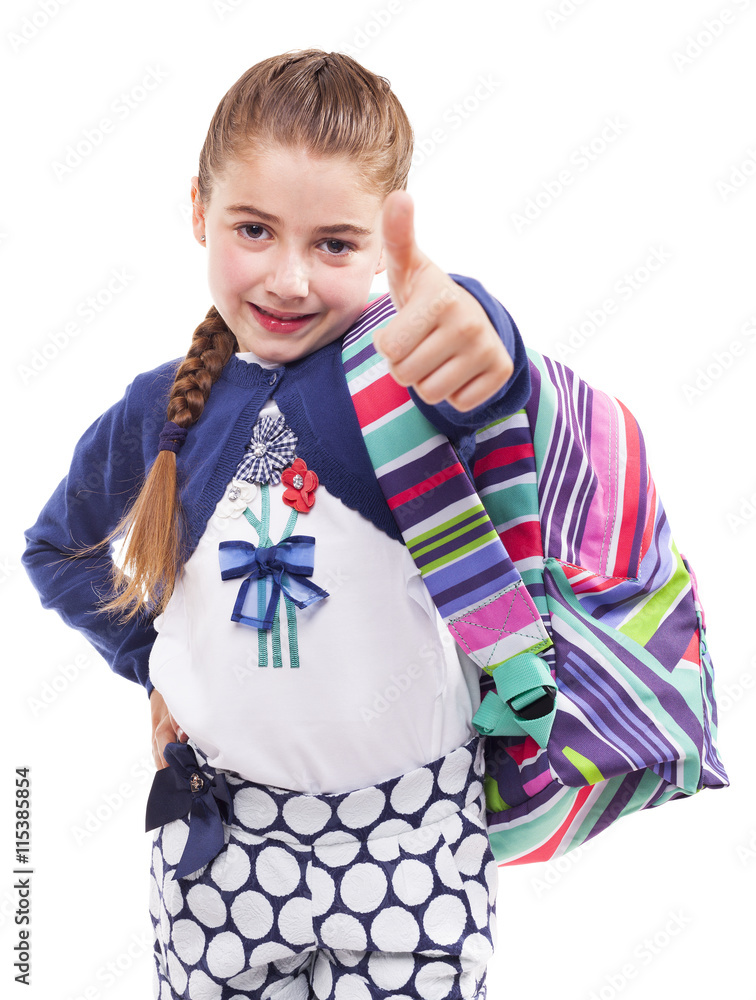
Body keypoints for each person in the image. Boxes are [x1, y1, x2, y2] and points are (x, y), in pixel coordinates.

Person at [23, 49, 532, 1000]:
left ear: (387, 243)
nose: (289, 278)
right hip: (220, 847)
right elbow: (60, 550)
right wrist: (158, 664)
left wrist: (486, 332)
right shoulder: (157, 413)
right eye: (253, 230)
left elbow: (505, 404)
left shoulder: (412, 380)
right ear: (197, 214)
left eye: (335, 245)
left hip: (410, 841)